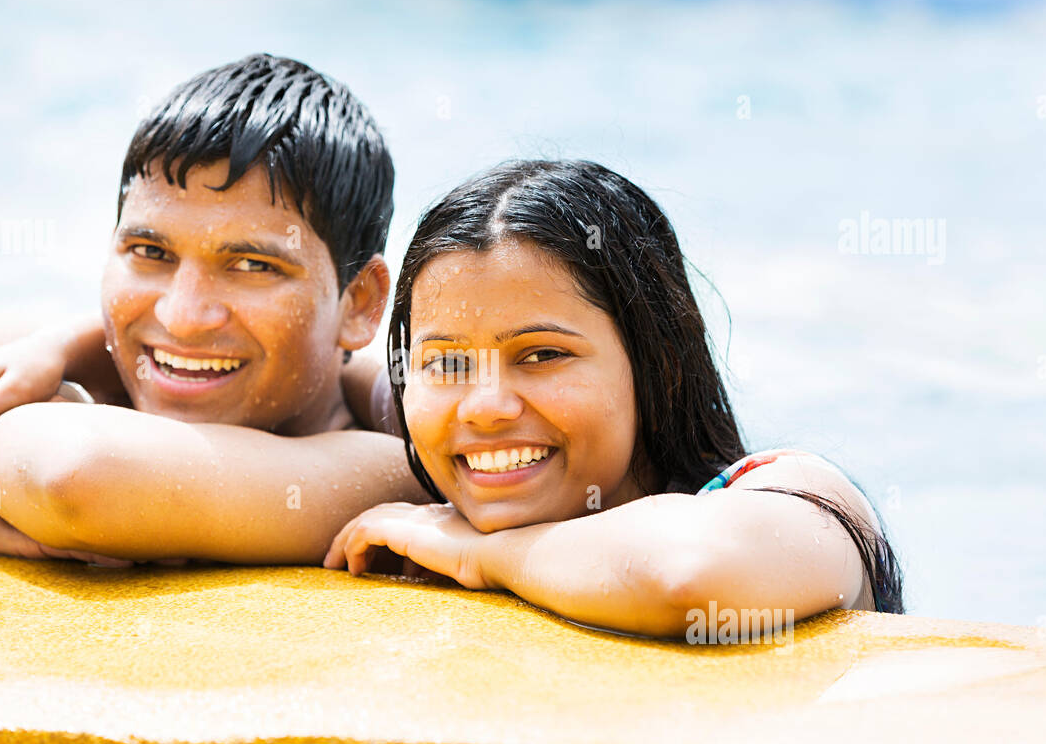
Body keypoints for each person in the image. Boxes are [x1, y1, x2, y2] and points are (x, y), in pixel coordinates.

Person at [0, 54, 430, 565]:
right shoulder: (33, 355)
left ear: (363, 302)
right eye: (150, 251)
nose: (183, 317)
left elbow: (76, 476)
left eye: (252, 266)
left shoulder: (395, 454)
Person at [324, 159, 904, 637]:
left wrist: (480, 557)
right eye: (446, 362)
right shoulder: (434, 481)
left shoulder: (797, 493)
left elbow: (688, 577)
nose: (483, 406)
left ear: (661, 362)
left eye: (542, 355)